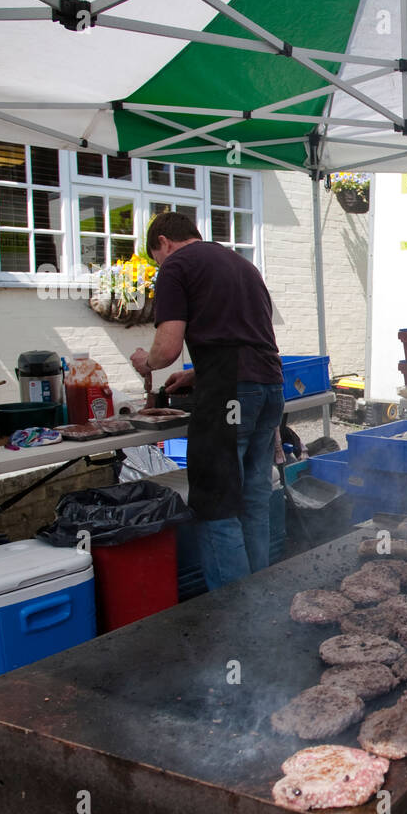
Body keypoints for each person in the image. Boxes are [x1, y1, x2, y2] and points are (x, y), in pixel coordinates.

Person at [130, 211, 283, 591]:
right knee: (253, 499)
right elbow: (244, 336)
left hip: (231, 393)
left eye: (156, 258)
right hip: (269, 388)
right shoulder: (241, 264)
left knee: (217, 502)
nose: (159, 266)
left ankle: (233, 613)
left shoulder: (176, 265)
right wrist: (196, 374)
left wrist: (145, 362)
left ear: (163, 242)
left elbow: (165, 349)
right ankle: (257, 601)